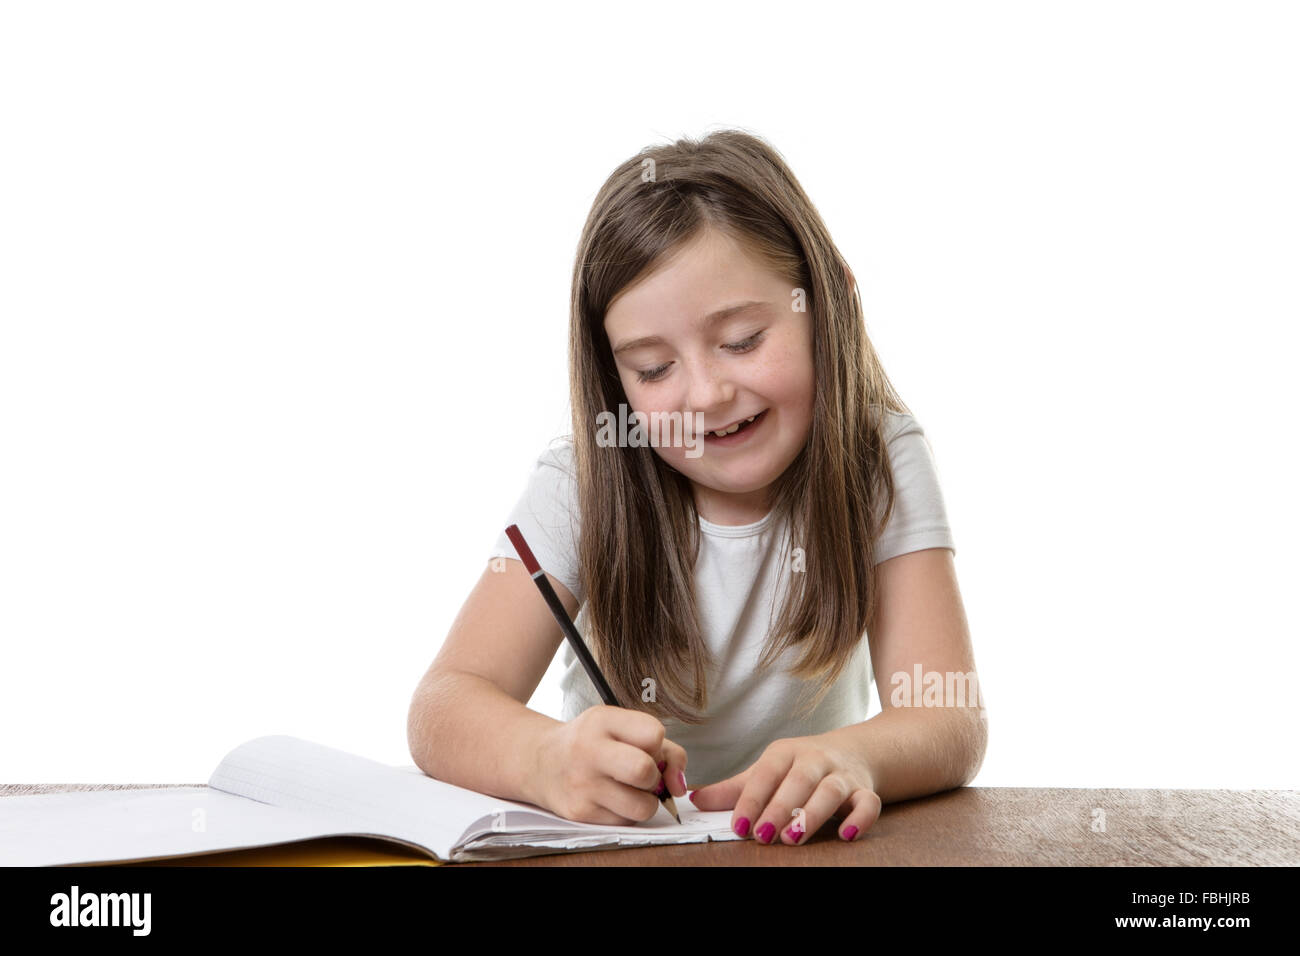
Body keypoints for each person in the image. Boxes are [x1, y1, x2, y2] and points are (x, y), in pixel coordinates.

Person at [408, 129, 986, 846]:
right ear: (613, 377)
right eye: (653, 369)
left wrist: (854, 756)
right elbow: (443, 706)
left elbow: (949, 717)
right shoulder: (581, 486)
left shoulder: (881, 461)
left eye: (742, 340)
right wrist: (544, 760)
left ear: (829, 300)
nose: (706, 395)